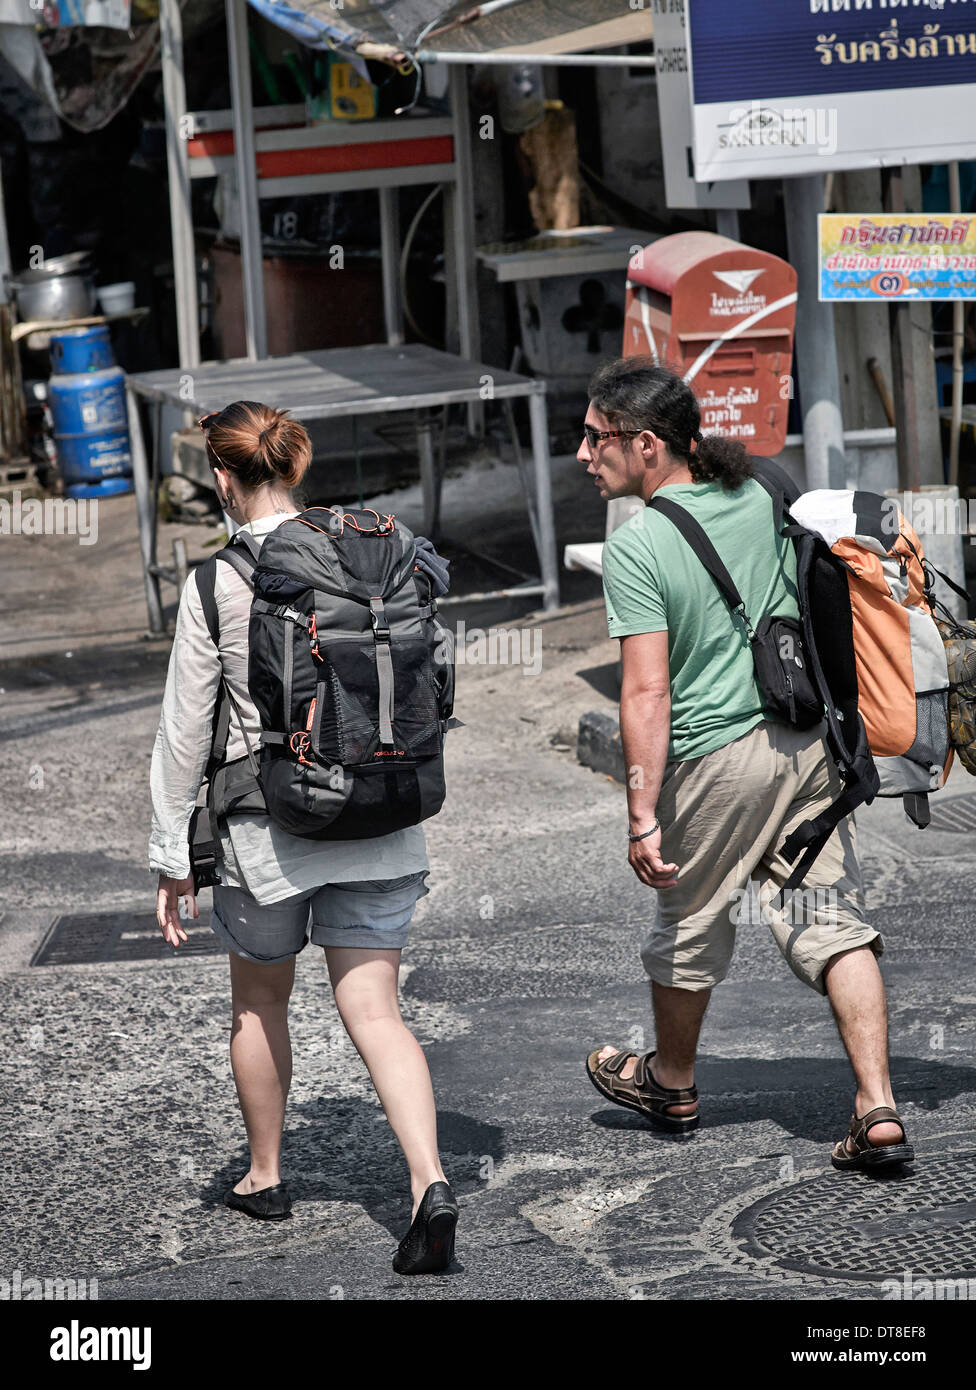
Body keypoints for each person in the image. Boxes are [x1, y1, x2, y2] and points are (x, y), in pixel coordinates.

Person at [580, 358, 914, 1172]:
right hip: (806, 747)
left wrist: (640, 813)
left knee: (689, 926)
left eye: (597, 438)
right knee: (830, 922)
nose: (583, 454)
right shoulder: (760, 489)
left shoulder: (641, 544)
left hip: (717, 761)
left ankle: (673, 1081)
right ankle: (877, 1105)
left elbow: (647, 694)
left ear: (648, 447)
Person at [149, 400, 458, 1273]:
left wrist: (173, 855)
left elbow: (183, 736)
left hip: (270, 832)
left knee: (259, 1003)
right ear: (295, 467)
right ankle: (428, 1180)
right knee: (378, 1012)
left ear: (222, 477)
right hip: (383, 814)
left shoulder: (218, 584)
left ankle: (265, 1173)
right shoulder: (371, 557)